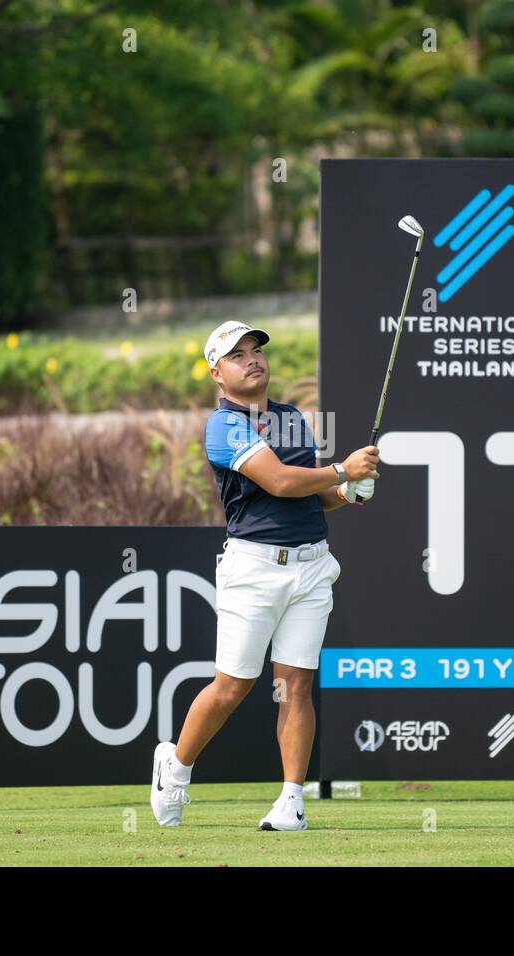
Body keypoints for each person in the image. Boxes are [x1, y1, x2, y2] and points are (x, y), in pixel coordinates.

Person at [150, 320, 380, 830]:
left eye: (256, 350)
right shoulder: (223, 426)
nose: (252, 359)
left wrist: (346, 492)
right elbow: (278, 481)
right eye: (238, 355)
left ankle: (291, 801)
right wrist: (343, 470)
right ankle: (177, 768)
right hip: (254, 568)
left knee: (296, 685)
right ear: (217, 372)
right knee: (233, 686)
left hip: (312, 566)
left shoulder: (292, 418)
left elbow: (311, 491)